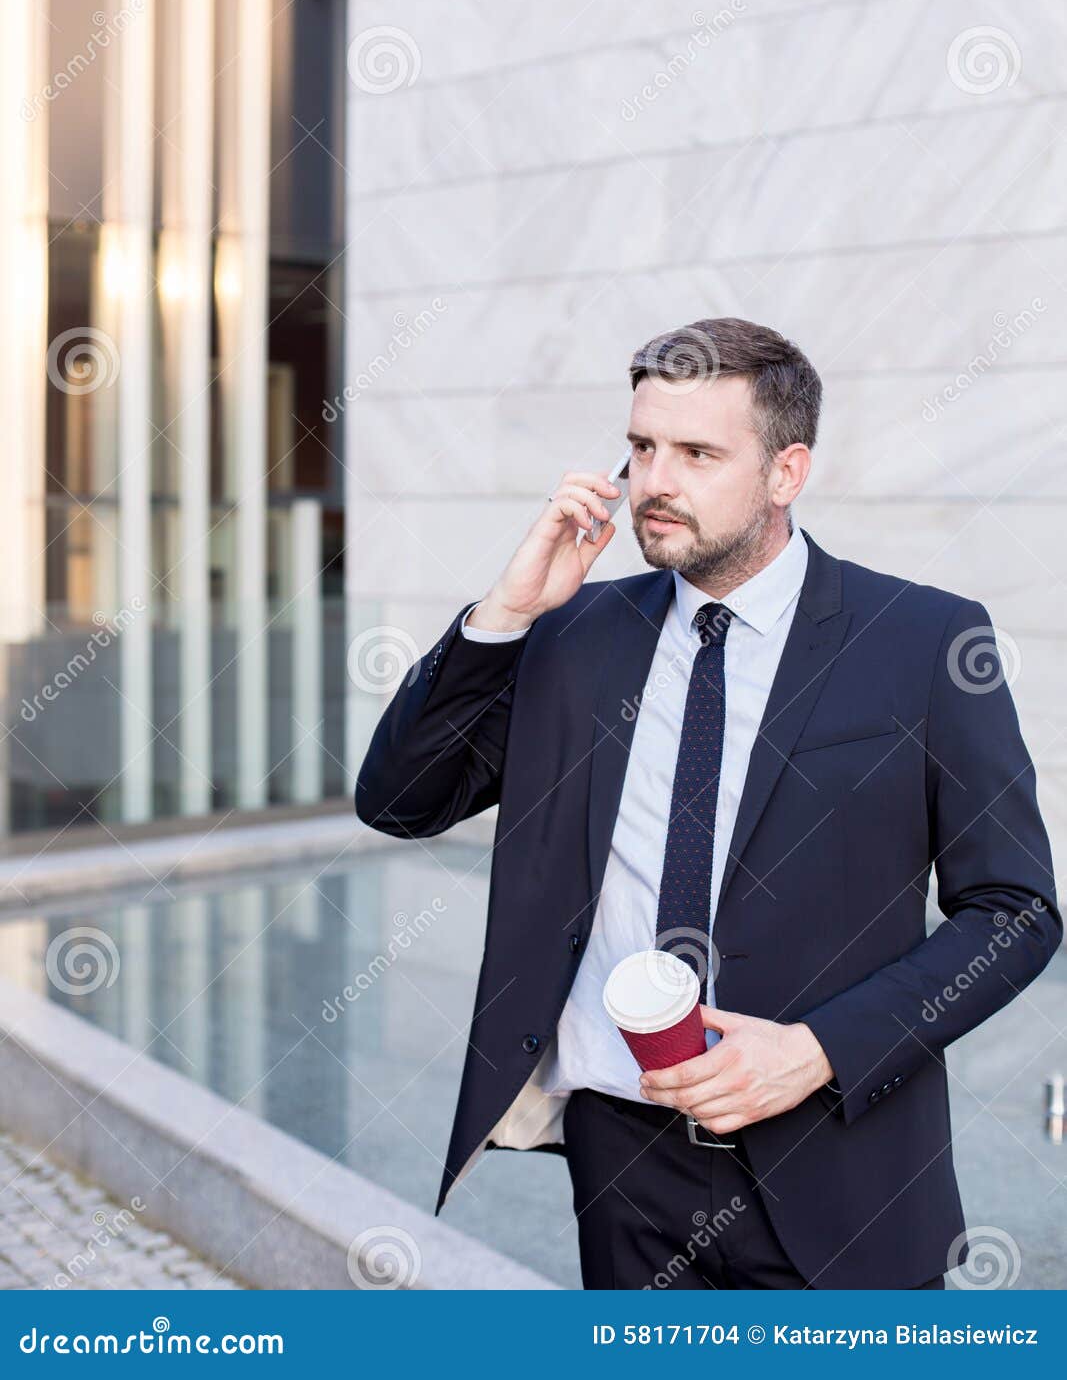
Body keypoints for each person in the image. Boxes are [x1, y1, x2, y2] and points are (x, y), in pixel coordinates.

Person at [356, 317, 1061, 1290]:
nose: (653, 481)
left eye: (695, 452)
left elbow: (1013, 912)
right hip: (623, 1163)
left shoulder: (923, 640)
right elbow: (399, 801)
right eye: (642, 446)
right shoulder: (575, 635)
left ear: (785, 471)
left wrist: (818, 1051)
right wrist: (506, 611)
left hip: (841, 1163)